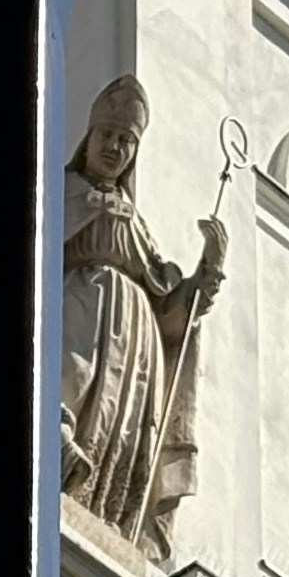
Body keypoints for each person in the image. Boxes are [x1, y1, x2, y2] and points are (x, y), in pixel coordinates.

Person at [59, 77, 225, 552]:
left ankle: (109, 505)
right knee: (72, 376)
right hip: (84, 311)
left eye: (126, 141)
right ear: (87, 139)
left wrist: (209, 266)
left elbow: (173, 311)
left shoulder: (135, 220)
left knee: (127, 430)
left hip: (136, 348)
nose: (114, 147)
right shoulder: (61, 191)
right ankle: (58, 444)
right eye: (106, 134)